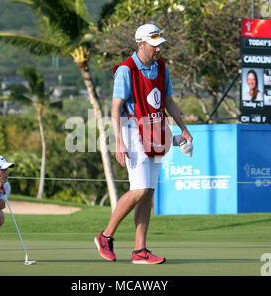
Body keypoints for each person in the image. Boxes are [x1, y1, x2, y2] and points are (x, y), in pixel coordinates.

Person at [94, 24, 193, 264]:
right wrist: (119, 141)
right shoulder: (126, 70)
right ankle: (105, 236)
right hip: (131, 130)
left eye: (160, 44)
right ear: (141, 44)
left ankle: (140, 251)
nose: (159, 48)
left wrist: (183, 128)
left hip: (155, 130)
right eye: (154, 44)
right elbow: (116, 107)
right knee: (138, 189)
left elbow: (168, 100)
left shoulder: (161, 66)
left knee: (148, 192)